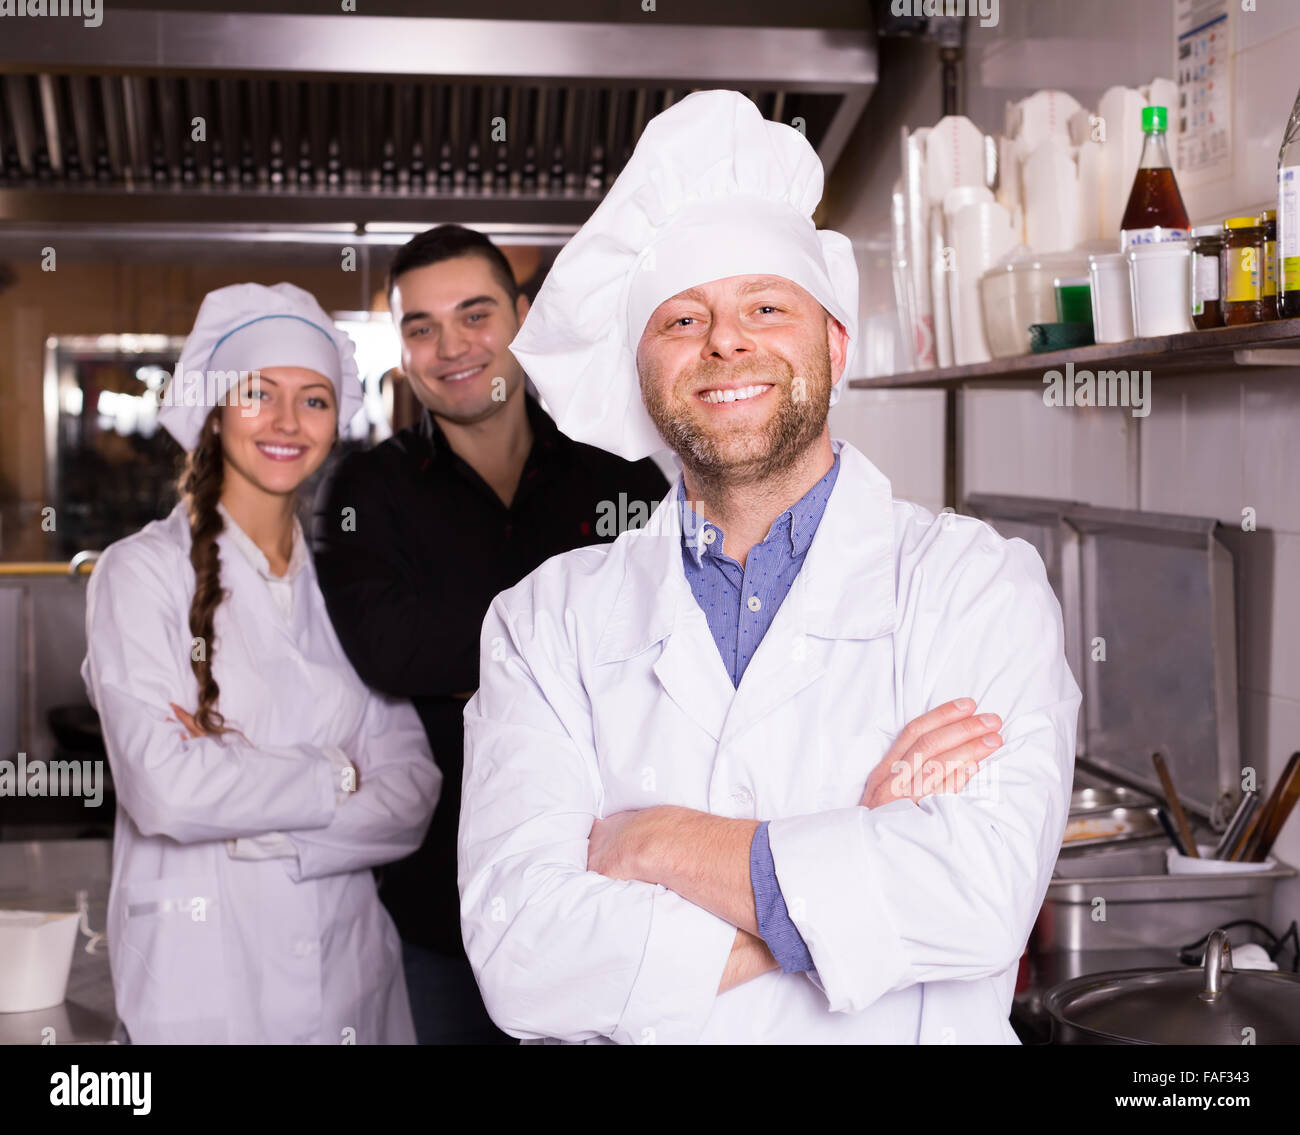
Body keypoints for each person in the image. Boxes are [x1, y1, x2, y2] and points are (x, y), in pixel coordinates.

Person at [458, 90, 1082, 1044]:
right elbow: (522, 955)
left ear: (833, 342)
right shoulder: (543, 624)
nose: (726, 343)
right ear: (641, 369)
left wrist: (657, 844)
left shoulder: (975, 585)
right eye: (681, 320)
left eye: (765, 305)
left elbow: (978, 894)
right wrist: (845, 870)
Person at [311, 226, 669, 1044]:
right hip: (440, 902)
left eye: (475, 315)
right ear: (401, 347)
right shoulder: (368, 487)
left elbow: (668, 635)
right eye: (422, 327)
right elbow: (388, 648)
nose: (451, 347)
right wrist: (574, 654)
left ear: (522, 316)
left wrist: (475, 653)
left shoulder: (619, 471)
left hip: (614, 891)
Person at [81, 283, 440, 1045]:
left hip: (350, 984)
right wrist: (337, 772)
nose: (286, 421)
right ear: (217, 408)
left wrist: (244, 796)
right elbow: (166, 790)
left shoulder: (346, 579)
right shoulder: (139, 574)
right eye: (258, 393)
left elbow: (413, 795)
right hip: (201, 984)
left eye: (312, 399)